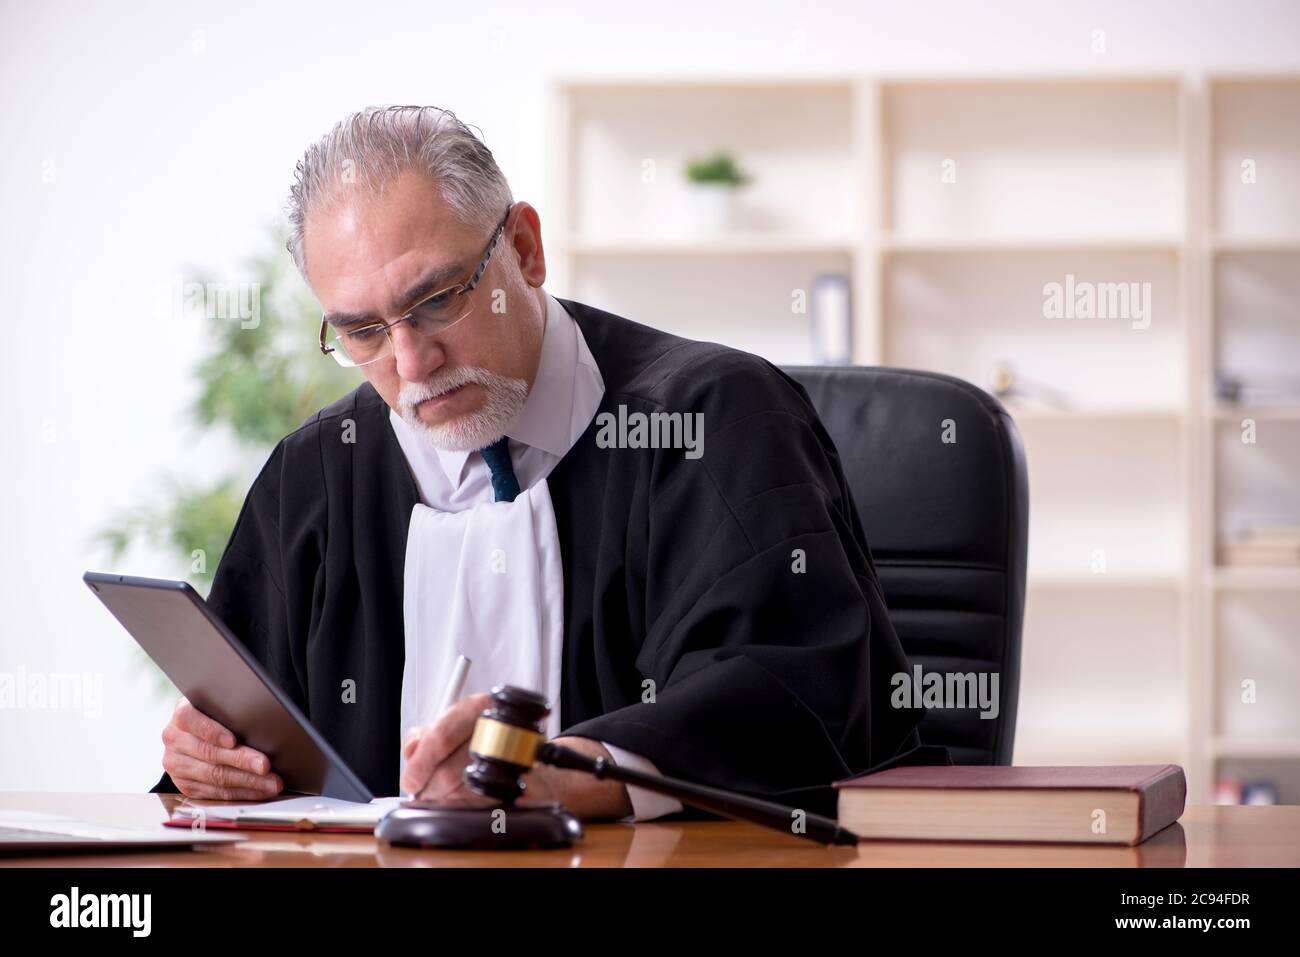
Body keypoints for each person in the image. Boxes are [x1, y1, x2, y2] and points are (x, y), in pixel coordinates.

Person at [153, 105, 926, 822]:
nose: (413, 363)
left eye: (438, 301)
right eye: (363, 333)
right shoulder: (315, 475)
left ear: (525, 249)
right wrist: (208, 761)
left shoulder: (714, 420)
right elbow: (249, 732)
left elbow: (789, 698)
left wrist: (562, 773)